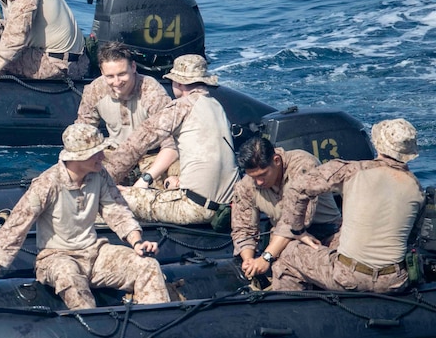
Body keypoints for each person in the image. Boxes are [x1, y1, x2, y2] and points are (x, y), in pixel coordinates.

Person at [0, 123, 169, 310]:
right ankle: (93, 330)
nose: (102, 156)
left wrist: (136, 243)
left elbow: (117, 211)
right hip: (55, 257)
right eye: (96, 153)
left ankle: (156, 326)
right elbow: (15, 227)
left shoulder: (99, 175)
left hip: (95, 253)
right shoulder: (47, 184)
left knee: (147, 266)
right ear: (77, 157)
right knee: (69, 275)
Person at [268, 118, 424, 294]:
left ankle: (296, 309)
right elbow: (412, 236)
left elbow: (298, 188)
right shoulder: (416, 187)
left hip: (348, 277)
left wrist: (298, 231)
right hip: (393, 282)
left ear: (377, 144)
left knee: (289, 253)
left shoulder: (352, 170)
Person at [105, 54, 239, 225]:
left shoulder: (182, 106)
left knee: (112, 196)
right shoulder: (216, 106)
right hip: (227, 206)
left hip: (193, 208)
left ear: (178, 83)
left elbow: (138, 142)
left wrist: (105, 178)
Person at [231, 135, 341, 282]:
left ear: (276, 161)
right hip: (284, 241)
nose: (259, 182)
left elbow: (298, 218)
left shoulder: (304, 166)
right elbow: (243, 229)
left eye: (263, 175)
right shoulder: (246, 185)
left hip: (328, 233)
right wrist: (249, 260)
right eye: (254, 177)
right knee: (284, 264)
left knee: (341, 270)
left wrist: (267, 257)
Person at [75, 40, 174, 182]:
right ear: (102, 72)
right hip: (115, 153)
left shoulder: (151, 92)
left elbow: (170, 144)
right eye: (110, 76)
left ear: (133, 67)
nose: (116, 82)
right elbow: (82, 133)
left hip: (150, 156)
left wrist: (146, 179)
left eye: (122, 74)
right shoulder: (95, 90)